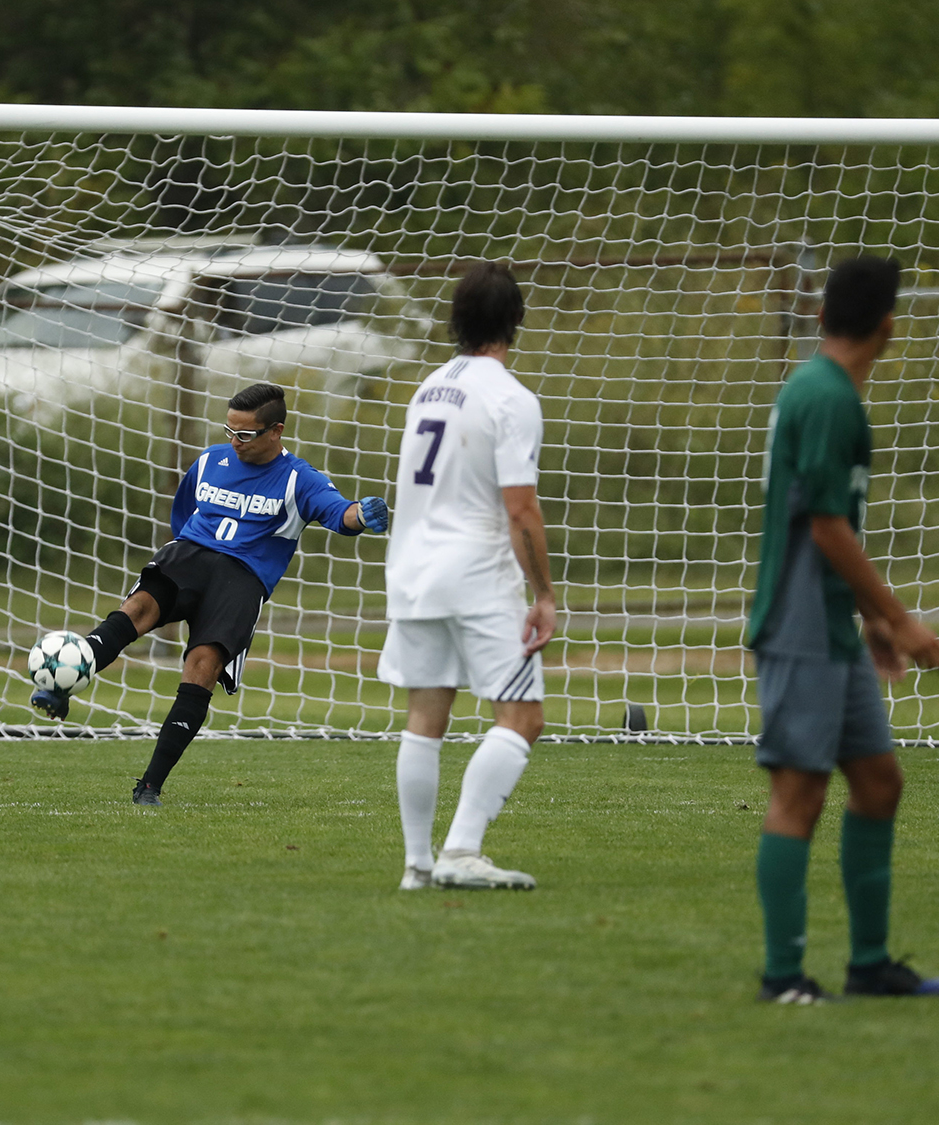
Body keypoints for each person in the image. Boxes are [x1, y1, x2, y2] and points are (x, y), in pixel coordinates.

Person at [746, 255, 939, 1004]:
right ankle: (783, 977)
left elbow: (824, 525)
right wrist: (898, 620)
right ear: (889, 326)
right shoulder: (829, 397)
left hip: (832, 625)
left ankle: (869, 964)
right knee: (798, 793)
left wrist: (866, 619)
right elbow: (828, 526)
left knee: (877, 781)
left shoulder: (822, 390)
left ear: (819, 315)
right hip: (800, 625)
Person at [30, 382, 390, 806]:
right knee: (137, 609)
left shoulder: (299, 479)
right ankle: (60, 687)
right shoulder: (209, 461)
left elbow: (338, 513)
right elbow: (183, 514)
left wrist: (361, 514)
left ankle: (149, 787)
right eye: (229, 430)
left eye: (246, 434)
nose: (234, 441)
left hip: (241, 578)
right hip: (189, 556)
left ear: (276, 431)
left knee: (201, 666)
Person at [378, 262, 556, 891]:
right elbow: (520, 508)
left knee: (426, 714)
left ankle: (416, 865)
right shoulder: (511, 398)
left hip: (414, 572)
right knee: (522, 716)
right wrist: (544, 594)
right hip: (477, 576)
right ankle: (459, 851)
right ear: (515, 322)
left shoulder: (429, 387)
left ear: (456, 322)